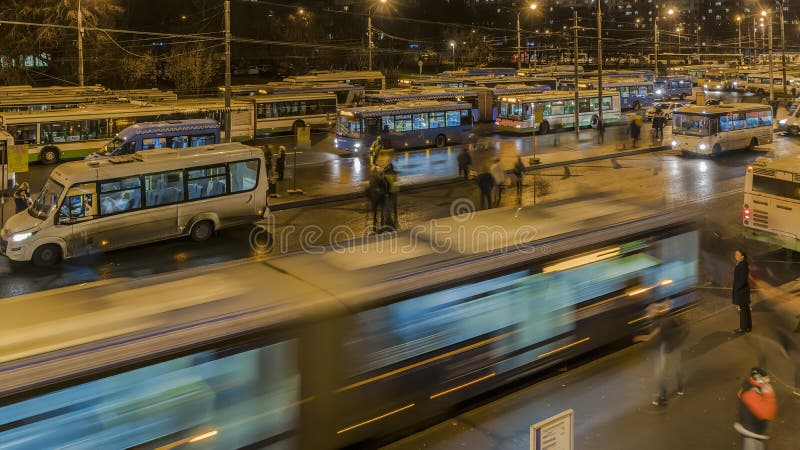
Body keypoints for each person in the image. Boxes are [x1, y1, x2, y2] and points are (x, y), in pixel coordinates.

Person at [634, 301, 687, 407]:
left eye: (649, 312)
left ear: (655, 312)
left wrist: (638, 338)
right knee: (671, 369)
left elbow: (650, 337)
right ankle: (677, 389)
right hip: (667, 348)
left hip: (670, 348)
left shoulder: (662, 322)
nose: (647, 314)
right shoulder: (659, 320)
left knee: (664, 372)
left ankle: (664, 397)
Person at [734, 367, 776, 450]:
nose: (769, 381)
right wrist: (769, 395)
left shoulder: (756, 388)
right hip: (751, 433)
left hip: (757, 431)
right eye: (766, 378)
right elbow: (767, 414)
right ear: (759, 378)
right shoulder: (750, 394)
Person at [733, 249, 752, 334]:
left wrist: (737, 288)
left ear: (742, 257)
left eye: (737, 255)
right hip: (743, 290)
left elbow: (742, 280)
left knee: (743, 310)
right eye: (735, 254)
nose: (735, 256)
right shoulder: (741, 264)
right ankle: (748, 327)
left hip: (741, 291)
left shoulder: (742, 265)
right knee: (746, 309)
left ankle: (743, 328)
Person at [382, 162, 398, 229]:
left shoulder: (385, 172)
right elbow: (394, 180)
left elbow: (383, 180)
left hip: (387, 190)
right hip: (393, 189)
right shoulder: (393, 172)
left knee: (386, 202)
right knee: (394, 200)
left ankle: (387, 214)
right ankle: (394, 211)